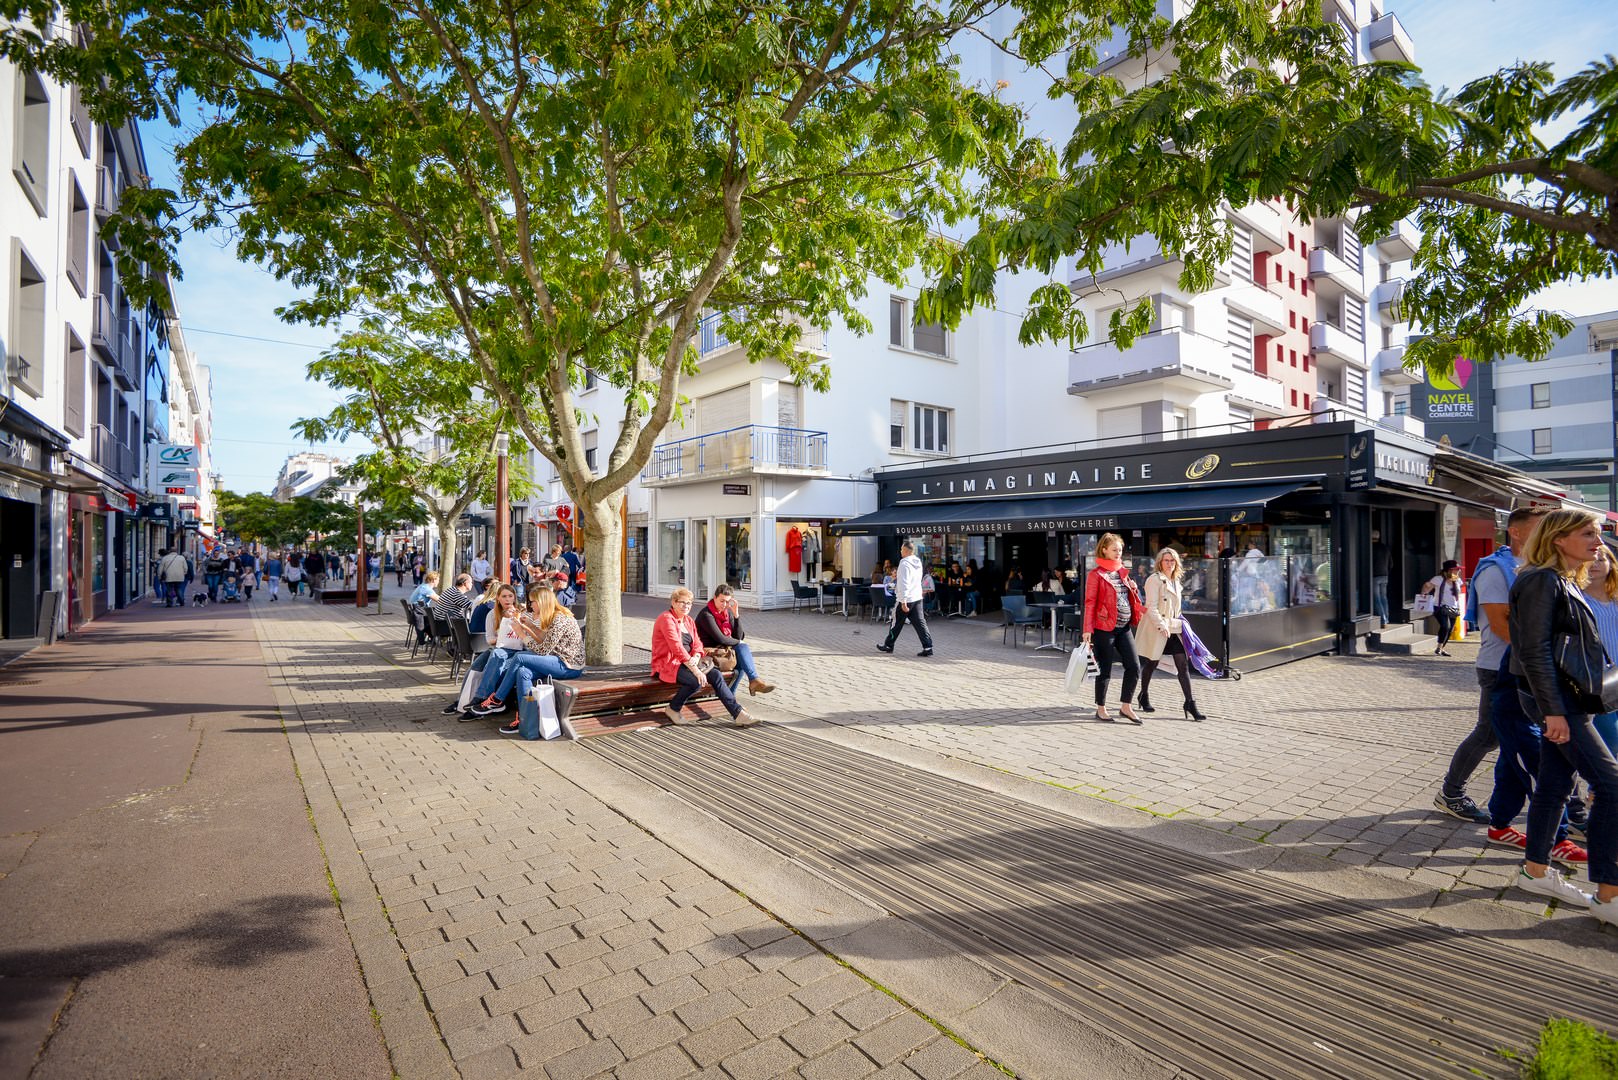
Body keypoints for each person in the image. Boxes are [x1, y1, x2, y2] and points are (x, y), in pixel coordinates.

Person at [1509, 509, 1618, 925]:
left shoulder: (1560, 580)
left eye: (1598, 532)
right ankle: (1609, 895)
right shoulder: (1541, 580)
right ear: (1558, 538)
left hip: (1565, 700)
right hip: (1560, 703)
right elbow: (1532, 651)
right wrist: (1553, 711)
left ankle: (1535, 872)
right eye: (1587, 533)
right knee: (1611, 786)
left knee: (1554, 785)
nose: (1597, 540)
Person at [1435, 508, 1556, 825]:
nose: (1550, 532)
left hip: (1532, 666)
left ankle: (1513, 809)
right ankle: (1452, 793)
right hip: (1501, 667)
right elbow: (1502, 625)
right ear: (1515, 532)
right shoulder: (1497, 568)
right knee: (1491, 736)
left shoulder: (1541, 566)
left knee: (1515, 738)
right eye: (1541, 526)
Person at [471, 588, 587, 730]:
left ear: (541, 602)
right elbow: (544, 640)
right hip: (556, 660)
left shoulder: (560, 619)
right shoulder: (553, 616)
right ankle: (524, 720)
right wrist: (529, 626)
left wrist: (521, 634)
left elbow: (543, 650)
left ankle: (498, 698)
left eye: (532, 602)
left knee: (520, 657)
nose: (530, 605)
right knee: (523, 672)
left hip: (568, 666)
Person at [653, 588, 756, 728]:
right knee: (696, 681)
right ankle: (673, 708)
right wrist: (696, 670)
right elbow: (676, 648)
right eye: (682, 602)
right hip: (668, 663)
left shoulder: (688, 620)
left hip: (688, 662)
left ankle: (738, 714)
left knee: (716, 675)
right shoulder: (666, 619)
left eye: (689, 603)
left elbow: (697, 643)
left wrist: (696, 655)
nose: (686, 606)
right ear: (674, 602)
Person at [1135, 548, 1205, 721]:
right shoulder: (1154, 580)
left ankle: (1190, 703)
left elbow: (1176, 609)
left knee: (1183, 665)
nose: (1169, 563)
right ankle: (1143, 695)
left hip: (1174, 627)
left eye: (1172, 560)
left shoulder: (1176, 580)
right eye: (1166, 560)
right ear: (1160, 562)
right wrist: (1161, 625)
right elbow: (1151, 607)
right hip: (1158, 627)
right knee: (1151, 664)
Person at [1082, 532, 1143, 724]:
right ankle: (1101, 708)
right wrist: (1087, 630)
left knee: (1134, 666)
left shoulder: (1123, 571)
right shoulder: (1096, 575)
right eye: (1115, 549)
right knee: (1105, 669)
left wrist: (1133, 588)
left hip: (1124, 627)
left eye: (1121, 550)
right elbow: (1090, 602)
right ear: (1104, 550)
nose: (1119, 553)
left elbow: (1129, 598)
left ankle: (1126, 706)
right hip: (1103, 628)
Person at [696, 584, 775, 697]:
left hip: (722, 650)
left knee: (742, 660)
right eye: (722, 601)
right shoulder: (706, 614)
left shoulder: (727, 613)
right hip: (708, 653)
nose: (725, 604)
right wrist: (739, 643)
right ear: (715, 598)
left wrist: (736, 615)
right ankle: (751, 682)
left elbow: (738, 636)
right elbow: (721, 638)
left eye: (728, 602)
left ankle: (732, 694)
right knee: (742, 649)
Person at [1583, 542, 1618, 756]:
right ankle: (1602, 788)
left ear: (1611, 565)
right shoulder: (1577, 598)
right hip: (1597, 681)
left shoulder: (1616, 598)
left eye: (1601, 559)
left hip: (1617, 676)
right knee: (1611, 744)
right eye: (1591, 559)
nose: (1595, 563)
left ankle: (1598, 790)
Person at [877, 540, 934, 657]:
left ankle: (888, 645)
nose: (900, 551)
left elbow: (904, 583)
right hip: (917, 597)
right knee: (920, 623)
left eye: (902, 549)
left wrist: (903, 601)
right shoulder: (918, 561)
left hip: (906, 599)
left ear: (907, 551)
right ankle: (928, 647)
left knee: (896, 622)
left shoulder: (904, 563)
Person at [1419, 560, 1464, 656]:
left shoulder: (1457, 580)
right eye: (1456, 569)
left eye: (1458, 569)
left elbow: (1456, 595)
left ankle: (1441, 648)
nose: (1458, 571)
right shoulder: (1438, 579)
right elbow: (1428, 586)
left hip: (1453, 608)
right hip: (1440, 607)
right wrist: (1424, 592)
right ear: (1449, 570)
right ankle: (1439, 648)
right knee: (1445, 626)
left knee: (1450, 630)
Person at [1371, 530, 1390, 626]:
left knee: (1376, 598)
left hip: (1375, 576)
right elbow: (1391, 563)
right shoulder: (1385, 547)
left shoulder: (1371, 548)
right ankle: (1386, 618)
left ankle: (1383, 620)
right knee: (1383, 597)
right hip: (1385, 575)